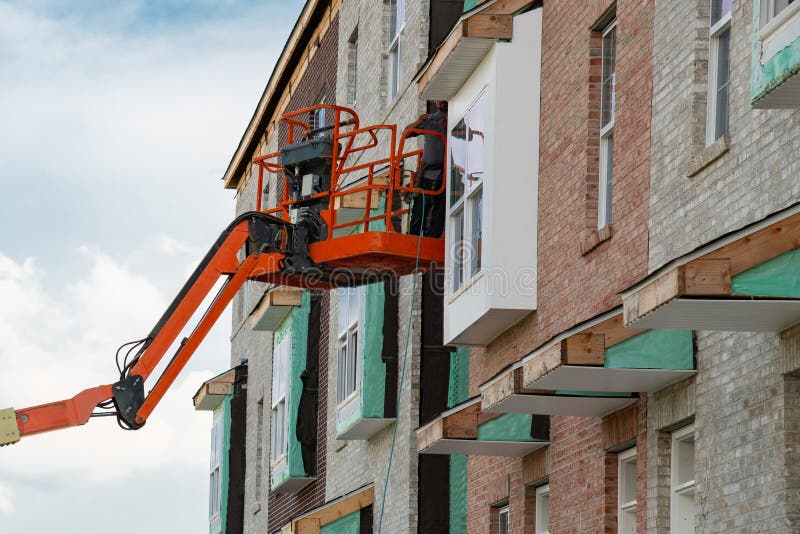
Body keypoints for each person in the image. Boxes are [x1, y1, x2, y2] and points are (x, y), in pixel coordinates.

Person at [403, 100, 447, 238]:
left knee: (438, 211)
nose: (441, 101)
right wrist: (418, 121)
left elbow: (468, 135)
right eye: (438, 99)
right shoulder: (432, 120)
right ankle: (413, 238)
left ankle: (432, 238)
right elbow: (406, 133)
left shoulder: (457, 118)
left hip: (444, 174)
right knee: (420, 208)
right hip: (427, 173)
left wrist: (452, 127)